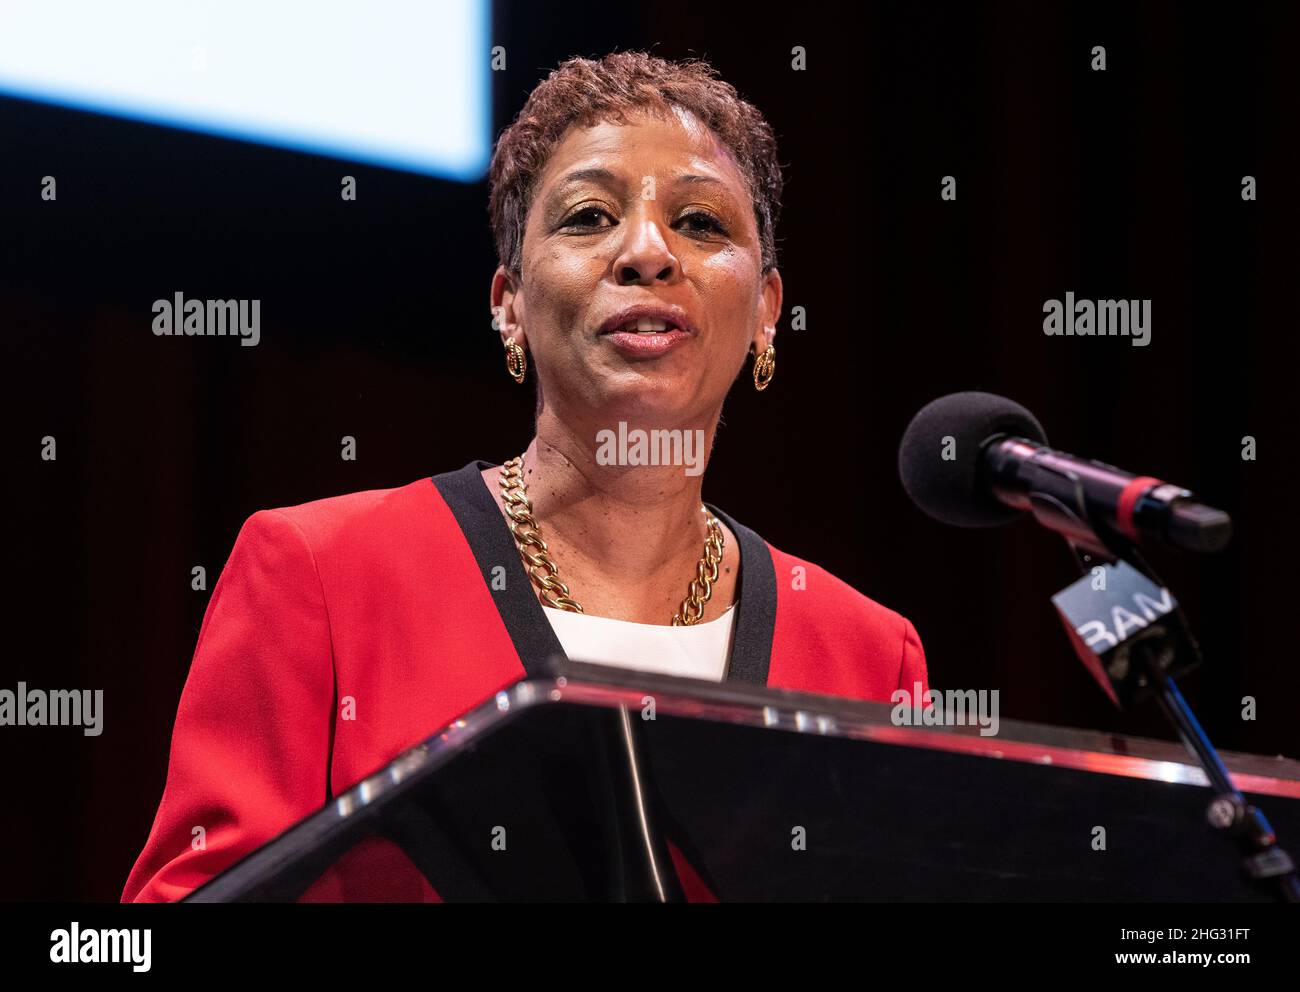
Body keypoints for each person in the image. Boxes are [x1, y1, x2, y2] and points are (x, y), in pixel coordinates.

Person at [122, 51, 928, 903]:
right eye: (588, 216)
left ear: (767, 310)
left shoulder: (870, 656)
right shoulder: (321, 574)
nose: (648, 253)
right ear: (507, 301)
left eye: (700, 223)